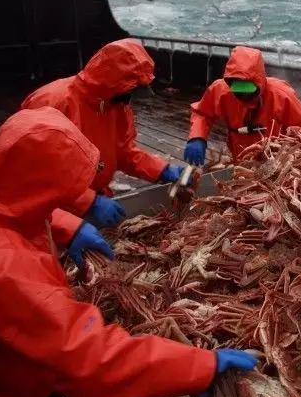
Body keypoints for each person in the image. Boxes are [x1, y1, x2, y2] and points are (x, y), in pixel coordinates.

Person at [0, 107, 257, 397]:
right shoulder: (2, 272)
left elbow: (11, 208)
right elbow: (87, 358)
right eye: (63, 191)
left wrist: (70, 226)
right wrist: (199, 368)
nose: (73, 197)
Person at [21, 38, 183, 258]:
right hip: (49, 212)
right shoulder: (52, 102)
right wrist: (87, 201)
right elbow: (32, 177)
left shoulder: (116, 104)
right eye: (129, 90)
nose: (130, 98)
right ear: (111, 84)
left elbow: (123, 152)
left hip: (95, 202)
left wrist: (162, 169)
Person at [184, 46, 301, 165]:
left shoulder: (282, 94)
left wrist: (290, 152)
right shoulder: (220, 90)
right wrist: (197, 137)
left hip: (276, 160)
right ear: (230, 84)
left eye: (249, 91)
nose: (244, 96)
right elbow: (202, 113)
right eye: (239, 92)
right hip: (240, 159)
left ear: (259, 83)